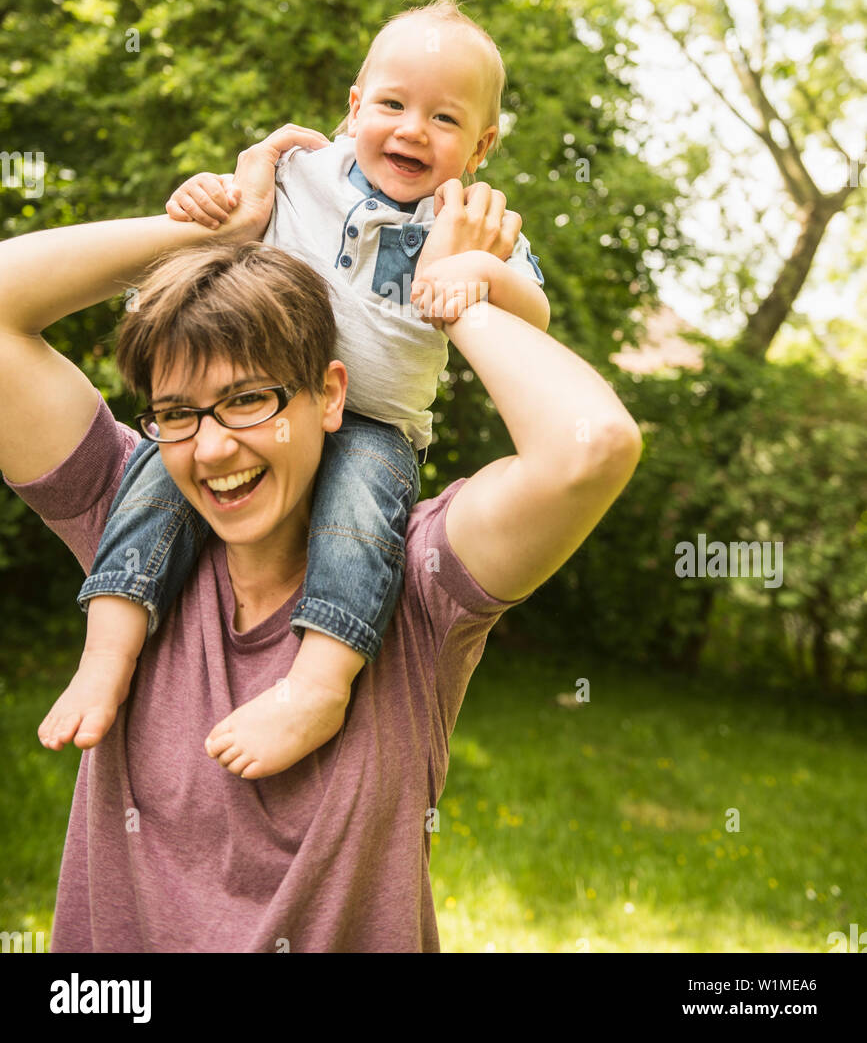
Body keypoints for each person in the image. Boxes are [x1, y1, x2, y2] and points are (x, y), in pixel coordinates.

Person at [0, 125, 642, 953]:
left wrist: (456, 289)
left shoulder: (417, 582)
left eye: (249, 401)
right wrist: (212, 233)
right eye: (178, 413)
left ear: (330, 395)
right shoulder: (128, 518)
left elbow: (591, 444)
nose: (213, 448)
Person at [37, 0, 551, 779]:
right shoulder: (305, 173)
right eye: (392, 103)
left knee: (357, 530)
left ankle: (317, 685)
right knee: (148, 489)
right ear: (352, 107)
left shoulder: (471, 221)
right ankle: (107, 652)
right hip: (246, 403)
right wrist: (199, 209)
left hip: (376, 423)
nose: (413, 129)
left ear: (479, 148)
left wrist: (472, 271)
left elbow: (535, 314)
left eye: (445, 120)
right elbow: (219, 223)